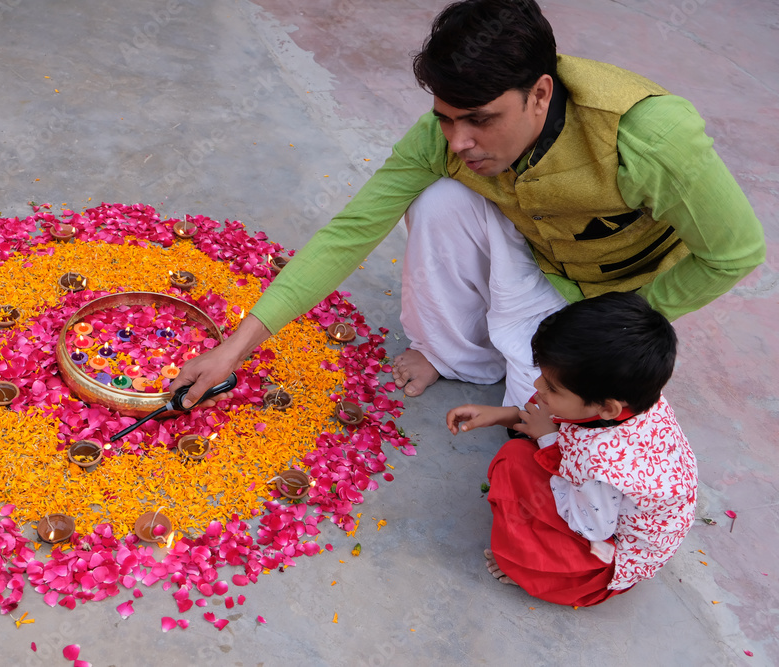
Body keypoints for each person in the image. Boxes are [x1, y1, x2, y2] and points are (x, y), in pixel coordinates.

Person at [171, 0, 764, 408]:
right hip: (535, 260)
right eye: (446, 119)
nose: (459, 142)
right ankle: (455, 354)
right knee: (439, 201)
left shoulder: (650, 137)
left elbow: (734, 254)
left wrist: (617, 329)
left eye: (480, 121)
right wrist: (235, 347)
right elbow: (352, 231)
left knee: (554, 435)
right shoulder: (445, 135)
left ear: (540, 94)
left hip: (612, 300)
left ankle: (536, 354)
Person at [445, 292, 697, 606]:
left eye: (552, 387)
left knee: (514, 460)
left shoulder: (598, 460)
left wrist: (549, 440)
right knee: (526, 454)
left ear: (606, 407)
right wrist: (501, 415)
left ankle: (536, 573)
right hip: (612, 512)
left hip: (602, 559)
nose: (537, 386)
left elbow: (589, 525)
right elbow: (565, 419)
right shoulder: (634, 397)